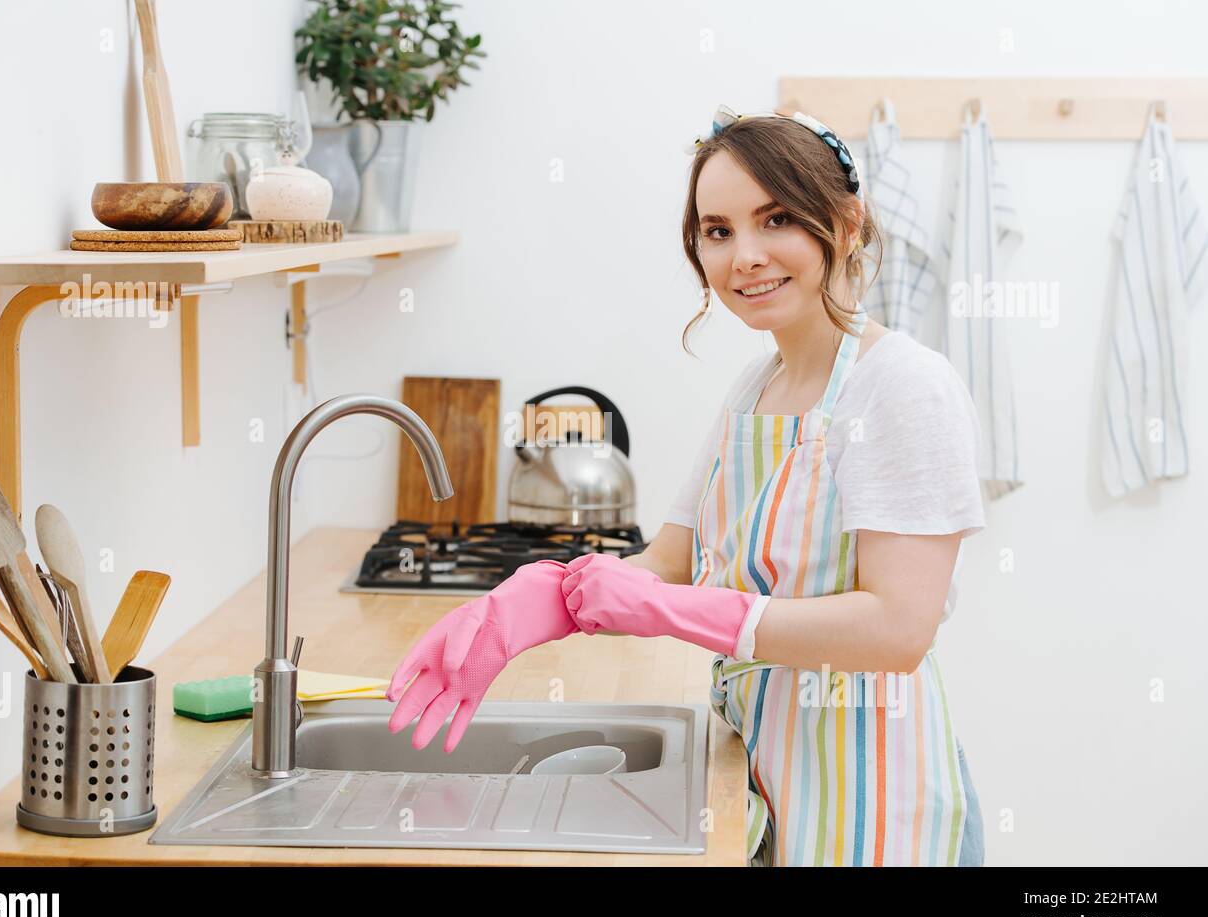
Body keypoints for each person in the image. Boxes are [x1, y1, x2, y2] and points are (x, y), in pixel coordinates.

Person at [386, 105, 986, 868]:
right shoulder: (757, 385)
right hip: (772, 771)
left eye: (777, 219)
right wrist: (530, 602)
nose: (746, 256)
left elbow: (898, 631)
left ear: (846, 221)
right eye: (718, 230)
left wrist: (674, 612)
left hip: (877, 798)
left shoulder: (901, 386)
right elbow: (666, 561)